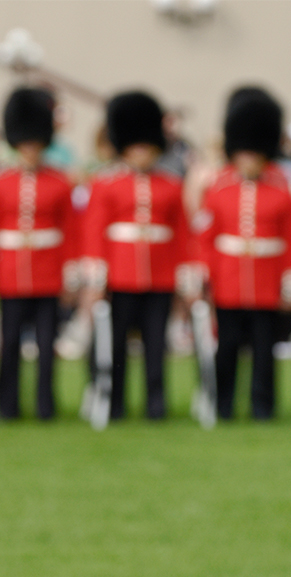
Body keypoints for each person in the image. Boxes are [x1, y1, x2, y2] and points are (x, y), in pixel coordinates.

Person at [83, 90, 190, 420]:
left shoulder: (171, 185)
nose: (142, 153)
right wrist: (96, 270)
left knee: (156, 346)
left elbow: (182, 233)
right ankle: (114, 404)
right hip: (120, 274)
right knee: (114, 347)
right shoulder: (106, 183)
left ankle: (155, 406)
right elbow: (95, 228)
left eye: (146, 146)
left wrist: (185, 270)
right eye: (136, 146)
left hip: (159, 275)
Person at [195, 87, 291, 420]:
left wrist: (289, 279)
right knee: (226, 349)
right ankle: (223, 405)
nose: (249, 159)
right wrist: (204, 275)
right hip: (229, 279)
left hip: (267, 280)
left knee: (264, 350)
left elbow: (290, 239)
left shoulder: (281, 188)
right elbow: (206, 238)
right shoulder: (219, 187)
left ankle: (262, 406)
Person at [0, 87, 78, 419]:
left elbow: (70, 232)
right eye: (25, 144)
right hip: (10, 274)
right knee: (9, 346)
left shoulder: (61, 182)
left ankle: (45, 407)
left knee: (47, 347)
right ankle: (8, 406)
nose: (31, 150)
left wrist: (70, 274)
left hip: (48, 273)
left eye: (35, 144)